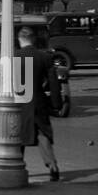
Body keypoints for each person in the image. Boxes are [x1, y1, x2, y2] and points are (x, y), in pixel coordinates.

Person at [18, 27, 62, 181]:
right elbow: (54, 83)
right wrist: (57, 104)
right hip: (39, 101)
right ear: (34, 40)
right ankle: (52, 165)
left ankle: (16, 166)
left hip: (19, 102)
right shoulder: (44, 57)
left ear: (20, 39)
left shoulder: (14, 57)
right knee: (43, 134)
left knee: (18, 137)